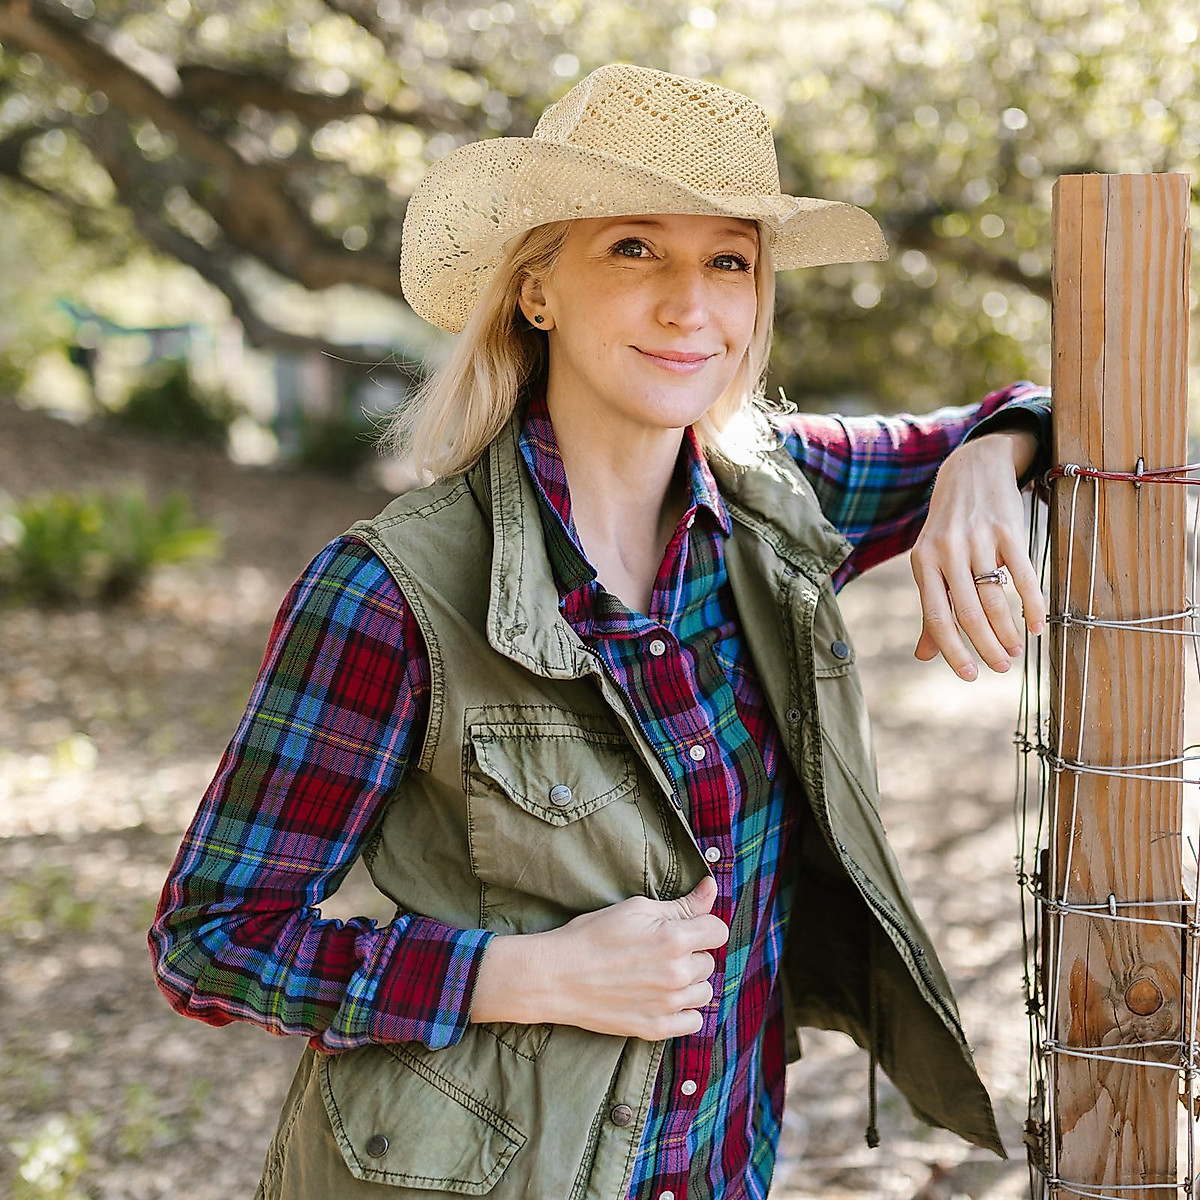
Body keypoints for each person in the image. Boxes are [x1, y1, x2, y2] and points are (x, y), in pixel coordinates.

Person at [150, 63, 1050, 1200]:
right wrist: (519, 975)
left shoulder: (782, 498)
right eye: (635, 249)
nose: (691, 304)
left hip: (719, 1159)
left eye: (729, 259)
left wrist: (982, 462)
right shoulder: (390, 592)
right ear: (538, 292)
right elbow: (212, 937)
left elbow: (1041, 409)